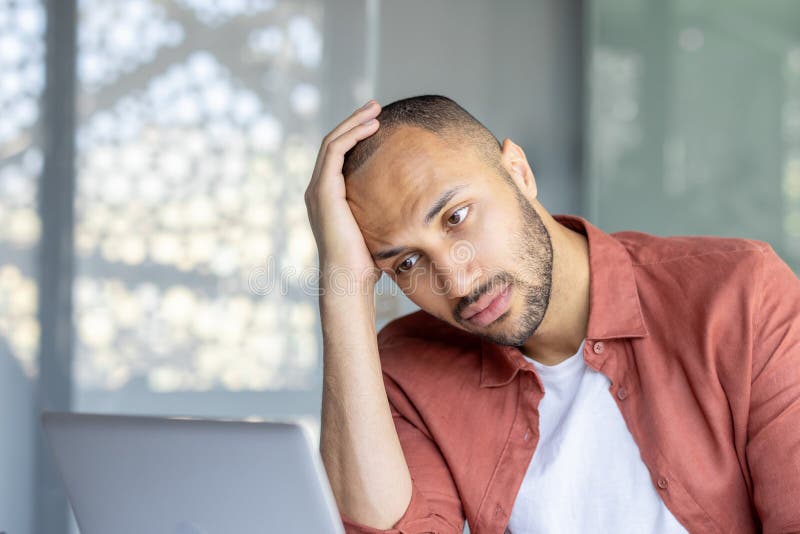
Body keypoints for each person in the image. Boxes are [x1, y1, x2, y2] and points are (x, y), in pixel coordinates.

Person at [304, 95, 800, 534]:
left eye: (456, 217)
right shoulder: (408, 369)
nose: (457, 282)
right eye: (407, 263)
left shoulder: (741, 293)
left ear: (518, 171)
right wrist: (342, 289)